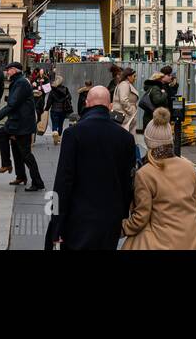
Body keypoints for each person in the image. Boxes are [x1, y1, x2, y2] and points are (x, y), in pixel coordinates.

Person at [48, 85, 137, 249]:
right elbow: (128, 182)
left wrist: (56, 221)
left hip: (78, 217)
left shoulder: (73, 134)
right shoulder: (126, 138)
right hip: (110, 218)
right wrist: (122, 215)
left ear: (87, 104)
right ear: (110, 107)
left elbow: (63, 182)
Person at [121, 107, 196, 250]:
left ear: (148, 142)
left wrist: (122, 228)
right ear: (170, 140)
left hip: (161, 241)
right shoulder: (188, 167)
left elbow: (141, 217)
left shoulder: (145, 174)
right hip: (193, 239)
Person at [0, 60, 43, 190]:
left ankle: (37, 182)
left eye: (9, 69)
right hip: (18, 122)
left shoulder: (21, 83)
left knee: (26, 154)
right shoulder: (18, 81)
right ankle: (20, 175)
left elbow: (13, 104)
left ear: (15, 70)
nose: (7, 72)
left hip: (22, 124)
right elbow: (15, 101)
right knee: (15, 149)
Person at [47, 74, 73, 145]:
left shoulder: (52, 90)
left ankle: (55, 131)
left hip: (54, 110)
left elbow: (49, 101)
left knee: (54, 124)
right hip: (63, 110)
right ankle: (58, 137)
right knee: (61, 124)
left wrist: (46, 109)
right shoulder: (66, 89)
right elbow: (69, 98)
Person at [113, 67, 139, 137]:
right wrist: (131, 112)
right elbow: (123, 100)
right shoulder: (124, 84)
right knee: (125, 136)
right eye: (134, 76)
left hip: (122, 114)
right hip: (124, 115)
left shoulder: (123, 84)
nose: (135, 78)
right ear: (128, 76)